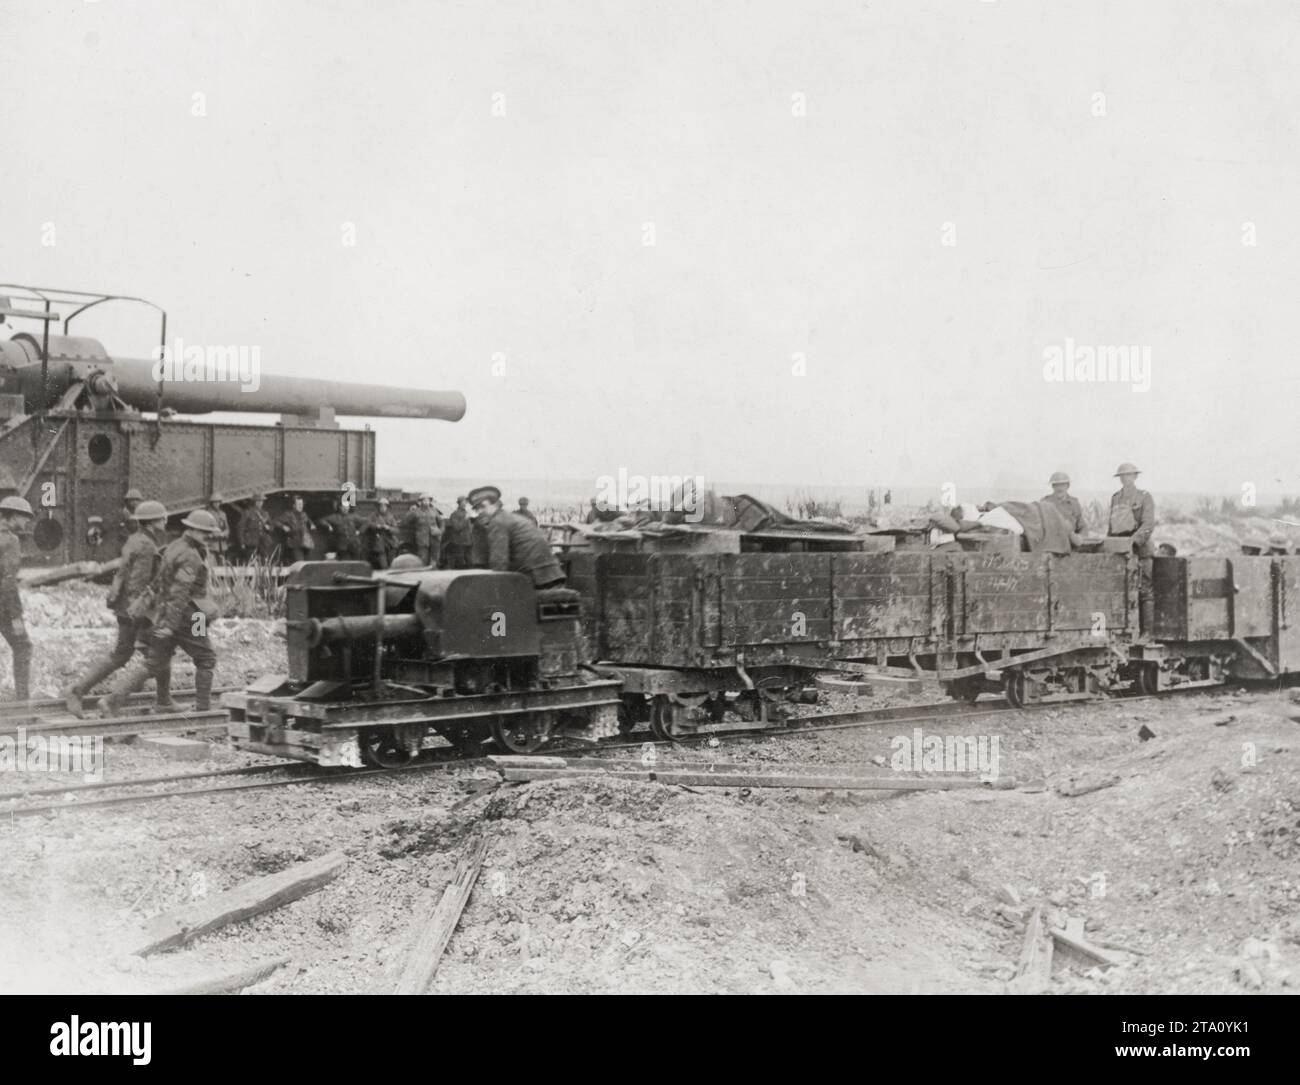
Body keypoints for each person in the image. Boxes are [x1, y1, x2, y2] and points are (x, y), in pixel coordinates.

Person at [103, 509, 223, 716]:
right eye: (205, 533)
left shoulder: (174, 546)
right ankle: (204, 710)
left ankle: (113, 700)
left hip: (165, 612)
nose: (208, 538)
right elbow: (180, 592)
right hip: (194, 615)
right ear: (193, 530)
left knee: (154, 662)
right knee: (206, 658)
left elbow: (160, 581)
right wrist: (170, 625)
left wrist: (166, 621)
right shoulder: (191, 556)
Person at [64, 500, 168, 718]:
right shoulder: (147, 546)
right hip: (134, 609)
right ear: (152, 523)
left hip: (124, 607)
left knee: (122, 654)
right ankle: (111, 699)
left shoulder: (135, 539)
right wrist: (140, 615)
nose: (165, 521)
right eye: (162, 518)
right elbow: (137, 584)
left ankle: (80, 690)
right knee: (156, 654)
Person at [469, 485, 565, 588]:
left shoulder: (497, 522)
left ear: (495, 504)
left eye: (483, 506)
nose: (479, 512)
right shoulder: (512, 518)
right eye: (477, 508)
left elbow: (499, 562)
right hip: (552, 575)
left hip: (534, 579)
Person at [1107, 462, 1156, 635]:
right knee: (1121, 591)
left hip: (1141, 551)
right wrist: (1111, 545)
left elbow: (1148, 523)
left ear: (1135, 477)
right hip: (1121, 552)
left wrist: (1133, 542)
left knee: (1144, 590)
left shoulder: (1144, 497)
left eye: (1128, 475)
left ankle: (1147, 634)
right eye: (1122, 476)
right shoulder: (1116, 498)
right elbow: (1112, 526)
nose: (1125, 479)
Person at [0, 496, 34, 702]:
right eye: (24, 517)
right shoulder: (10, 540)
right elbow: (8, 582)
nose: (27, 522)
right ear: (13, 516)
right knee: (23, 646)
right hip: (3, 606)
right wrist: (16, 617)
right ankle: (23, 701)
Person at [400, 494, 443, 567]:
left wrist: (440, 531)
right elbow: (404, 522)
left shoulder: (434, 511)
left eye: (428, 500)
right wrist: (410, 512)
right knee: (423, 558)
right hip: (422, 538)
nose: (426, 502)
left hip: (434, 538)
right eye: (424, 500)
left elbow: (441, 522)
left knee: (435, 558)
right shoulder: (415, 512)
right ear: (420, 502)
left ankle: (434, 572)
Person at [1042, 471, 1087, 536]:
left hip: (1071, 541)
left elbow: (1082, 526)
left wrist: (1080, 537)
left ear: (1068, 486)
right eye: (1056, 485)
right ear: (1053, 486)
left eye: (1062, 485)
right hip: (1052, 541)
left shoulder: (1074, 503)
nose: (1059, 488)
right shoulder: (1045, 502)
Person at [275, 495, 315, 563]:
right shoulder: (288, 514)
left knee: (308, 563)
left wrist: (312, 524)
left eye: (301, 504)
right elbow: (276, 521)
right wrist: (283, 526)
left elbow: (308, 520)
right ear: (294, 505)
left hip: (305, 543)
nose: (301, 506)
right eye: (298, 504)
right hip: (295, 543)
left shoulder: (304, 514)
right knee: (299, 563)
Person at [236, 494, 274, 563]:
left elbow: (271, 527)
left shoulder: (265, 513)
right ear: (254, 502)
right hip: (251, 541)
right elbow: (240, 527)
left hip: (263, 541)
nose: (260, 503)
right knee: (250, 561)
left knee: (265, 561)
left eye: (261, 501)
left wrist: (268, 527)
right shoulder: (248, 512)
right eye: (258, 501)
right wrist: (242, 542)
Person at [365, 498, 398, 569]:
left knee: (392, 564)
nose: (383, 508)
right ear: (378, 507)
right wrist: (377, 526)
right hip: (379, 542)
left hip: (390, 543)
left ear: (387, 507)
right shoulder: (373, 516)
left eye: (384, 506)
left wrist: (388, 528)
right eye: (381, 506)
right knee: (383, 565)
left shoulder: (391, 516)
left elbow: (396, 530)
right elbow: (368, 524)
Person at [442, 496, 472, 569]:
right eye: (463, 502)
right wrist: (465, 519)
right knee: (460, 563)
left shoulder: (466, 513)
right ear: (459, 503)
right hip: (459, 542)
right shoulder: (454, 514)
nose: (465, 503)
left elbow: (469, 528)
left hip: (467, 542)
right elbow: (457, 527)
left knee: (469, 562)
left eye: (466, 502)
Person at [207, 493, 231, 561]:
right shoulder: (208, 513)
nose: (217, 504)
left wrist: (224, 533)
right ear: (212, 503)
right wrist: (215, 534)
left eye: (218, 502)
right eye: (215, 502)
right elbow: (206, 528)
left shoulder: (223, 514)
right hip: (213, 544)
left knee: (222, 563)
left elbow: (227, 528)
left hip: (222, 544)